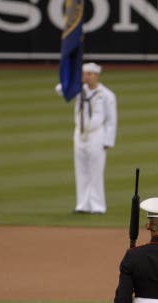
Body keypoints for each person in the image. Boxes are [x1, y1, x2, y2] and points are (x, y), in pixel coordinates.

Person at [60, 62, 117, 214]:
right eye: (85, 73)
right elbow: (60, 90)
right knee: (81, 170)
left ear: (97, 75)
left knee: (96, 171)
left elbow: (111, 119)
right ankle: (82, 205)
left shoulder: (106, 95)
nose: (87, 76)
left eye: (90, 74)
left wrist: (108, 140)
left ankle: (98, 206)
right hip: (79, 133)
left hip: (96, 134)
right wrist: (73, 81)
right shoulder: (78, 91)